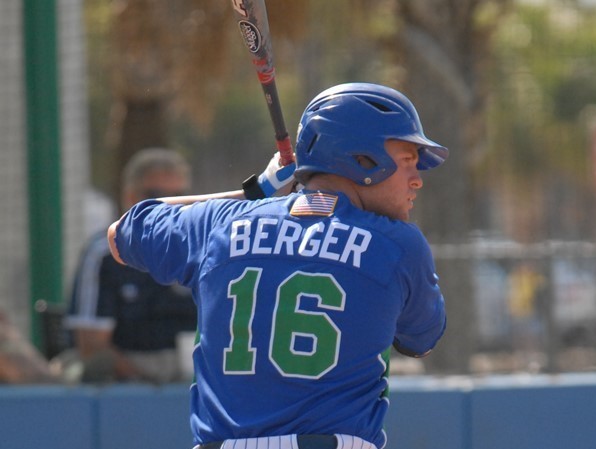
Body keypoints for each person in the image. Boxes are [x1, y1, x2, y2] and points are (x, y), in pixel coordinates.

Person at [108, 83, 448, 449]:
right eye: (407, 160)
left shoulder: (219, 223)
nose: (417, 179)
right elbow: (420, 341)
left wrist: (255, 191)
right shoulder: (398, 244)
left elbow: (122, 231)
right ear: (363, 159)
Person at [63, 148, 198, 384]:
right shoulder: (105, 253)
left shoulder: (203, 246)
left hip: (197, 370)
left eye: (179, 195)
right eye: (156, 195)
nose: (170, 204)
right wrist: (148, 385)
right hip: (127, 380)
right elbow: (92, 345)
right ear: (130, 198)